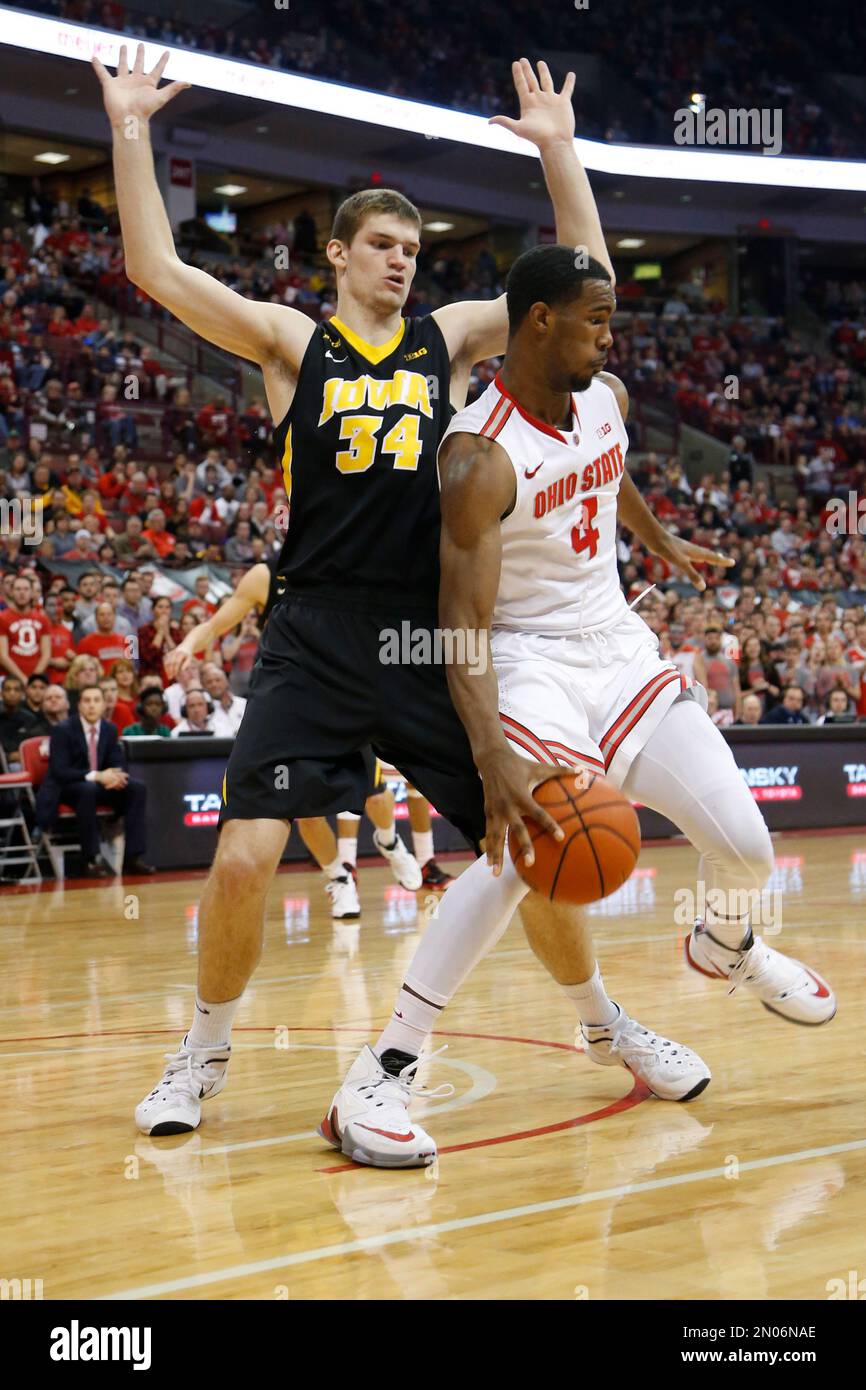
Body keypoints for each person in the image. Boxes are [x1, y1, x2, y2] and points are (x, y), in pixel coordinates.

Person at [97, 47, 598, 1139]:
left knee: (536, 843)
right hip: (314, 629)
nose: (401, 263)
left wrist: (559, 152)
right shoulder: (292, 343)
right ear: (335, 253)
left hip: (428, 635)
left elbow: (581, 282)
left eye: (413, 250)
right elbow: (157, 271)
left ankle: (606, 1026)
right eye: (380, 245)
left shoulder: (451, 339)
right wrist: (130, 128)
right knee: (241, 855)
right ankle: (202, 1053)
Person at [319, 244, 835, 1166]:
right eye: (596, 318)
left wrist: (658, 535)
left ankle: (723, 946)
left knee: (748, 847)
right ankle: (382, 1067)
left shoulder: (608, 399)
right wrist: (492, 760)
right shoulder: (477, 455)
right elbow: (463, 624)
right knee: (522, 854)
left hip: (619, 648)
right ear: (539, 321)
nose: (610, 334)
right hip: (529, 663)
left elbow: (611, 470)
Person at [34, 683, 154, 877]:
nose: (91, 705)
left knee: (136, 789)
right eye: (87, 701)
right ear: (79, 705)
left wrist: (116, 776)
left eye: (96, 700)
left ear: (103, 706)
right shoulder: (63, 730)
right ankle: (92, 859)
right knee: (86, 790)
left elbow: (117, 760)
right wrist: (98, 776)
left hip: (100, 785)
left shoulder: (109, 729)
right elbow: (60, 771)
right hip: (68, 787)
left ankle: (133, 857)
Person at [0, 575, 51, 682]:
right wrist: (23, 679)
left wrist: (33, 679)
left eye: (26, 589)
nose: (22, 593)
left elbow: (46, 654)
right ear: (11, 592)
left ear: (32, 593)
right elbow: (2, 656)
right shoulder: (2, 618)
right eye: (18, 589)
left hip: (36, 680)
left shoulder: (43, 619)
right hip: (8, 680)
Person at [0, 675, 38, 764]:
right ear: (1, 694)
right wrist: (8, 757)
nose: (12, 693)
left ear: (22, 694)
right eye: (7, 689)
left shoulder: (30, 719)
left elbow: (33, 747)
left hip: (23, 761)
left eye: (16, 690)